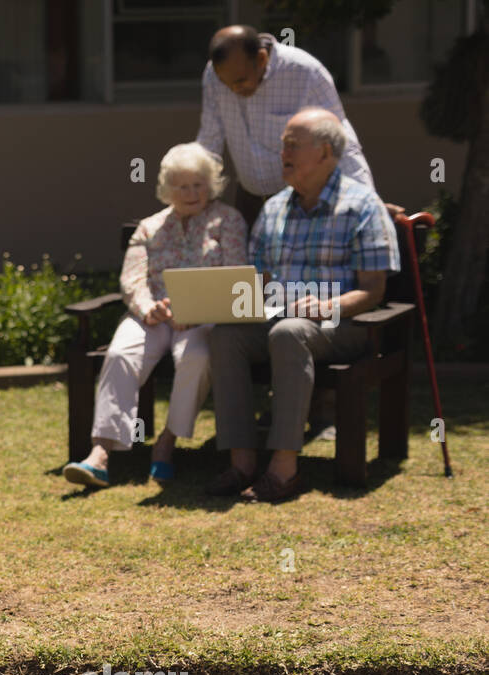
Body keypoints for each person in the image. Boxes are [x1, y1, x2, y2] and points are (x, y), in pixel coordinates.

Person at [205, 109, 399, 503]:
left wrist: (327, 306)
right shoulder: (274, 208)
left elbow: (373, 291)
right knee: (226, 335)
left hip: (340, 324)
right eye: (282, 145)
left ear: (326, 152)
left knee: (290, 332)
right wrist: (228, 298)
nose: (283, 152)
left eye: (293, 144)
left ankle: (284, 469)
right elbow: (257, 282)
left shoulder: (362, 206)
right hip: (278, 316)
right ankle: (241, 463)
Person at [63, 143, 247, 489]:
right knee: (120, 354)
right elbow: (132, 278)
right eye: (182, 186)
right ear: (167, 189)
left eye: (198, 184)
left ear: (211, 185)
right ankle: (100, 454)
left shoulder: (229, 222)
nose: (191, 193)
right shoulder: (149, 227)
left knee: (196, 357)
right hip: (154, 317)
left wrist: (196, 309)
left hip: (203, 318)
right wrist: (149, 309)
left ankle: (166, 443)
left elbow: (235, 276)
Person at [197, 25, 402, 226]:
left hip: (296, 199)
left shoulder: (305, 72)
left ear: (261, 59)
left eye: (241, 81)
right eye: (227, 84)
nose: (234, 90)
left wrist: (368, 201)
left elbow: (340, 140)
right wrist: (192, 192)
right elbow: (209, 139)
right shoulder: (214, 76)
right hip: (248, 199)